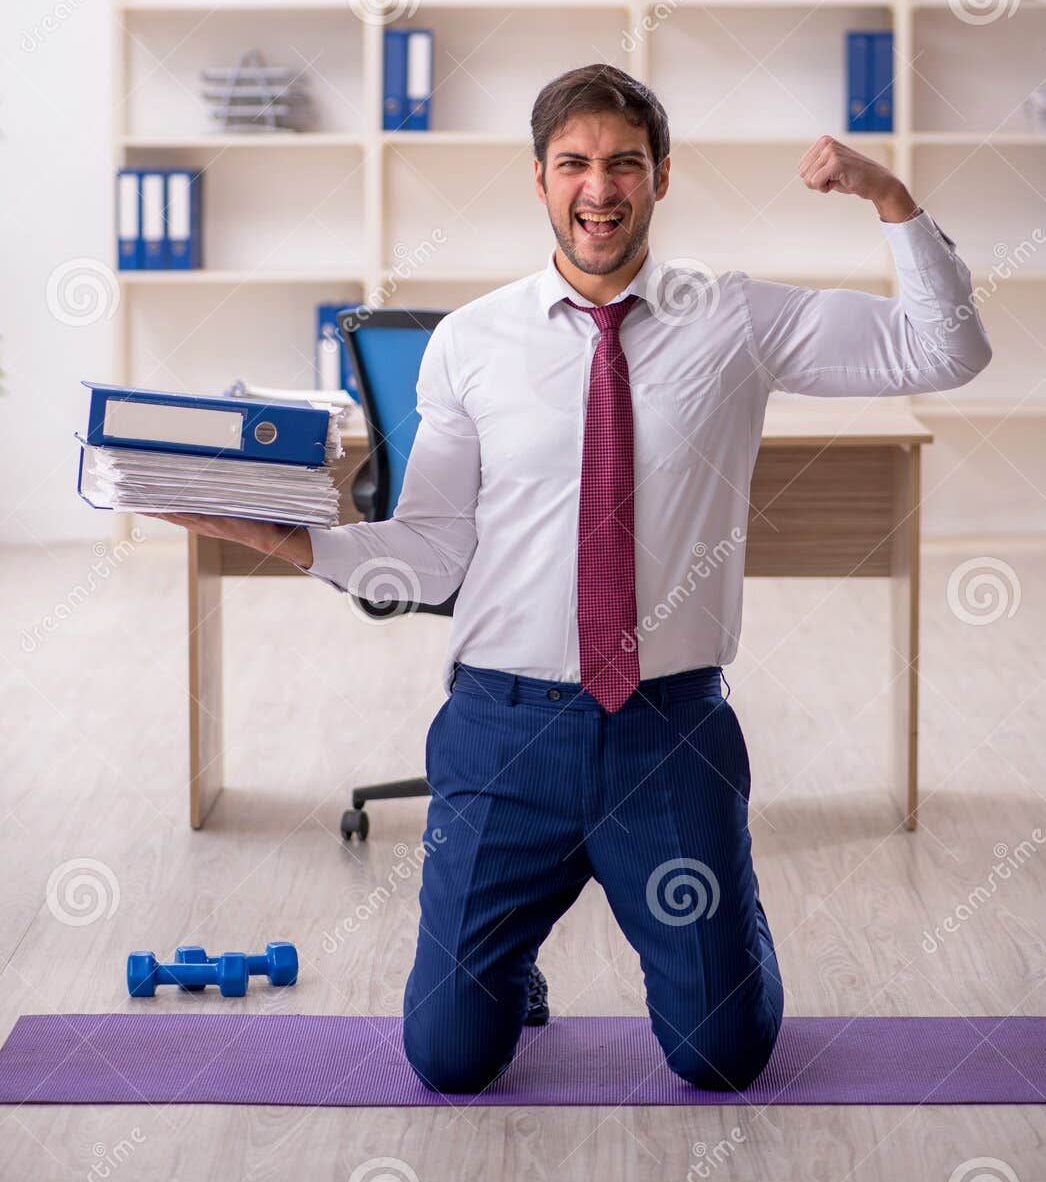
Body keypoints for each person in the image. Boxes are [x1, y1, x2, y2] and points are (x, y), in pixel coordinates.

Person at [164, 62, 992, 1094]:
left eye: (624, 164)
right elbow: (431, 551)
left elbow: (947, 351)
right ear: (539, 178)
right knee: (450, 1059)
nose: (599, 188)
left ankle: (715, 936)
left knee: (722, 1057)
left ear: (662, 177)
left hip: (668, 734)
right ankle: (511, 961)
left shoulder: (734, 317)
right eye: (573, 164)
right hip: (504, 733)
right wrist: (298, 544)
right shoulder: (473, 340)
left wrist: (888, 196)